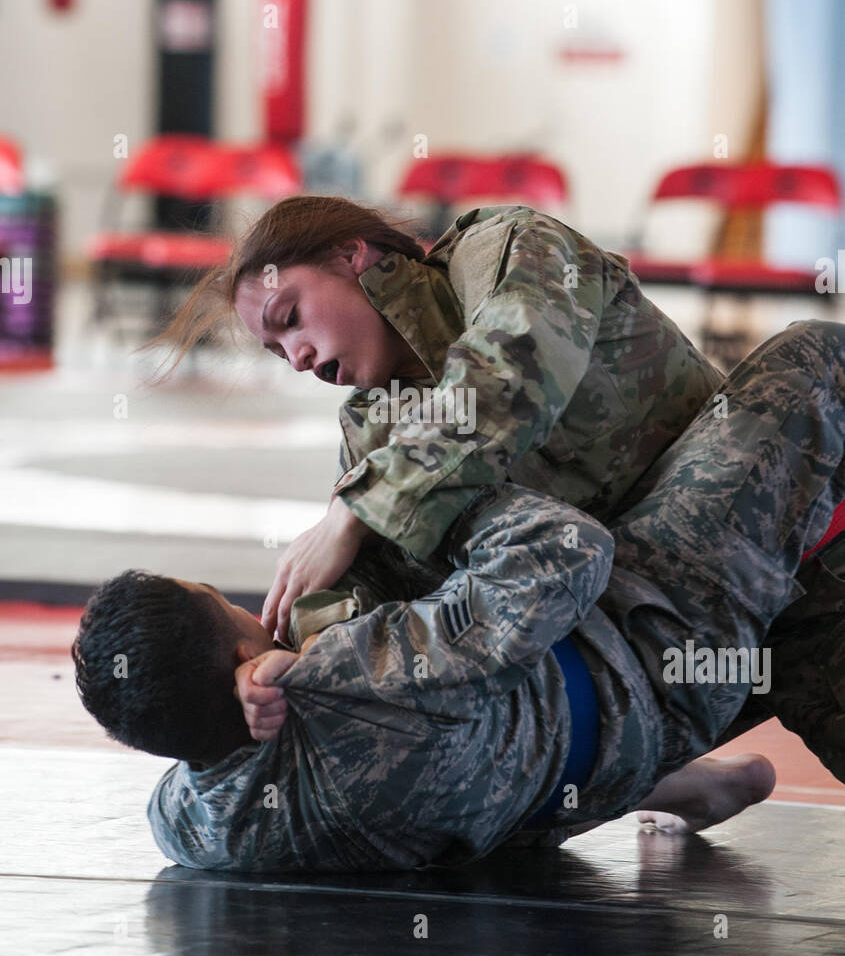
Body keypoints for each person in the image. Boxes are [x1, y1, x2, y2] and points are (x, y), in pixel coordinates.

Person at [74, 319, 845, 872]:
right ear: (244, 650)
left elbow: (185, 756)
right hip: (654, 662)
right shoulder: (355, 677)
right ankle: (684, 752)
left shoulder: (202, 829)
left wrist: (234, 695)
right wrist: (386, 500)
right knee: (807, 360)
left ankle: (681, 785)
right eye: (225, 603)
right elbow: (568, 550)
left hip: (557, 789)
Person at [151, 196, 724, 640]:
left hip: (738, 516)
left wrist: (355, 512)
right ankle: (684, 782)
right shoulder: (374, 428)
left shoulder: (508, 249)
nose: (298, 358)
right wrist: (282, 656)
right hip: (645, 614)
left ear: (351, 257)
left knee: (806, 360)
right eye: (278, 352)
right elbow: (377, 589)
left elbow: (506, 380)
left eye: (291, 316)